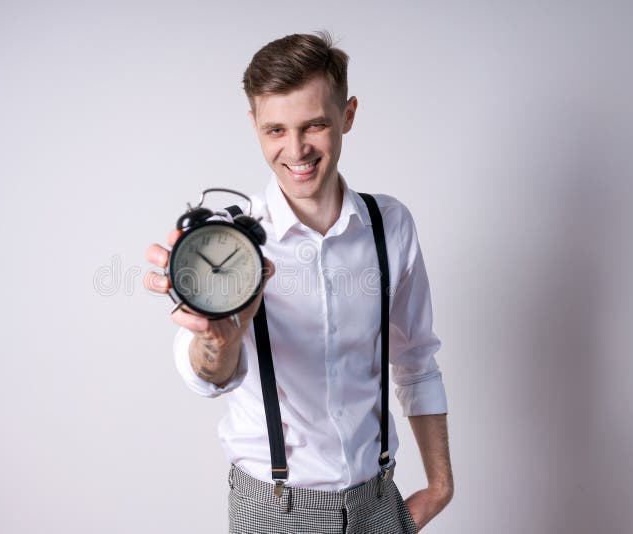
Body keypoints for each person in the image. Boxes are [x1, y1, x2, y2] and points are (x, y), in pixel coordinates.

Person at [144, 31, 453, 533]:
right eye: (275, 130)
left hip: (377, 502)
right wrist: (217, 339)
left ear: (347, 115)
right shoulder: (224, 241)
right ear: (254, 125)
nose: (296, 150)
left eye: (314, 125)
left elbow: (416, 360)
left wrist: (440, 485)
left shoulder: (390, 224)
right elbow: (206, 371)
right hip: (273, 511)